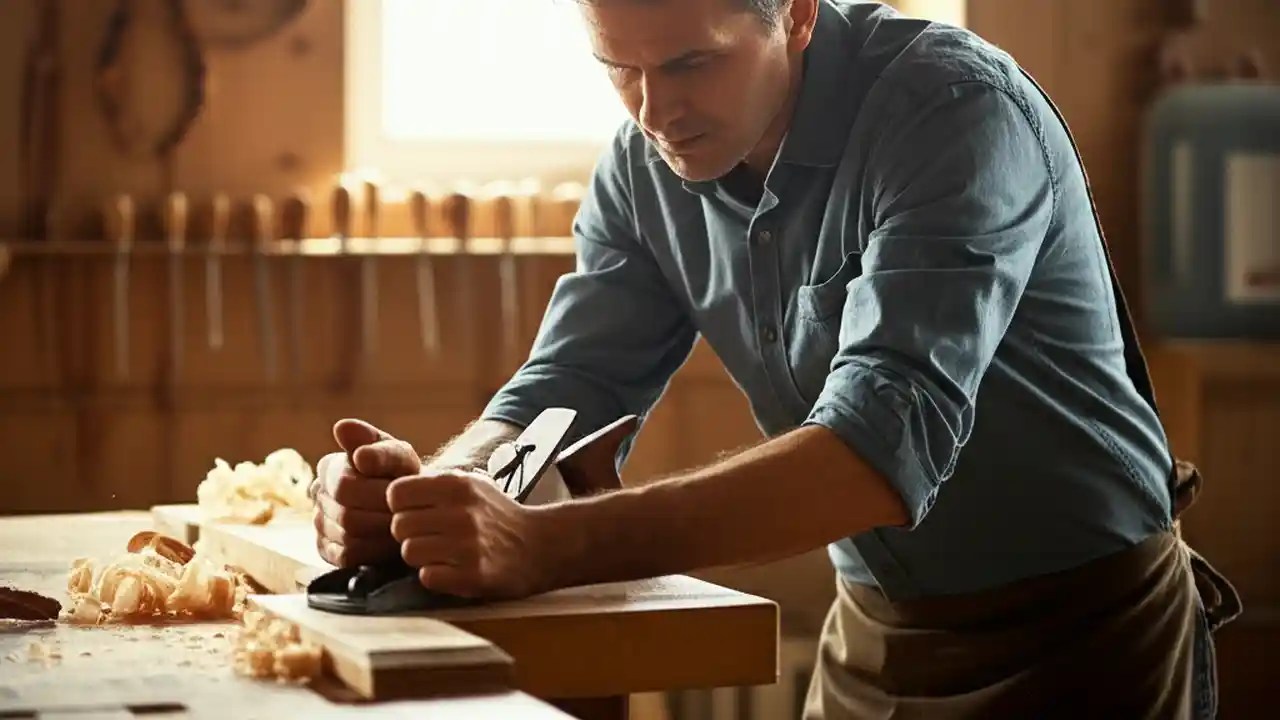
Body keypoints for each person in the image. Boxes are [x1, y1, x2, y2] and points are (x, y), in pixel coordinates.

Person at [310, 1, 1239, 717]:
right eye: (618, 69)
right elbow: (565, 390)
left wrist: (547, 546)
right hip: (873, 628)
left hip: (1085, 636)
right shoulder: (646, 168)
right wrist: (433, 498)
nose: (655, 111)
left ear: (796, 13)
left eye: (691, 63)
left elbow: (880, 449)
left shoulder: (952, 112)